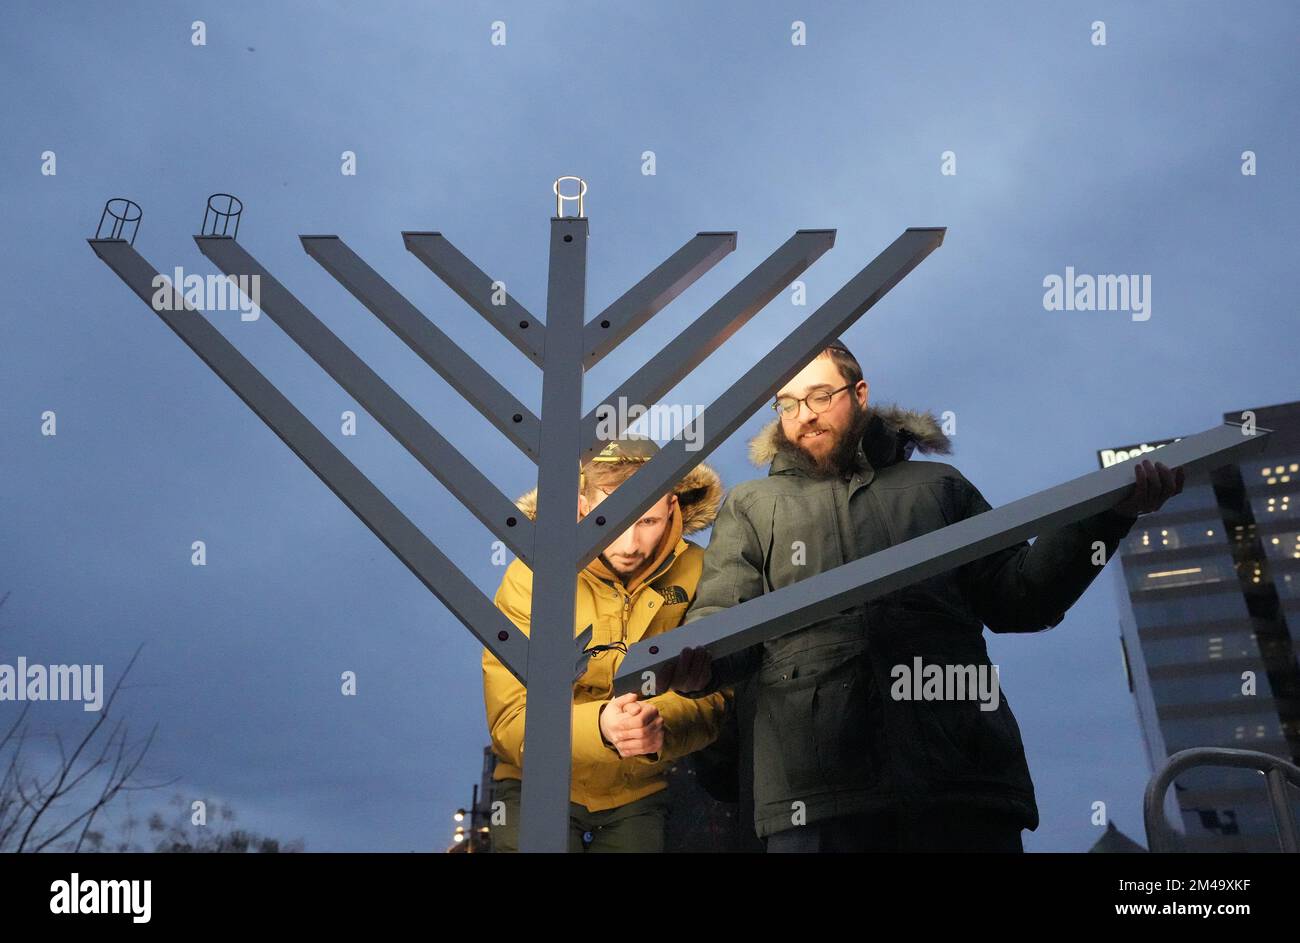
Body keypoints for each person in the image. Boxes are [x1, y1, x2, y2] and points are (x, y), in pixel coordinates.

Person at [668, 340, 1184, 852]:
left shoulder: (939, 487)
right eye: (788, 404)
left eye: (821, 396)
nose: (804, 415)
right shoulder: (752, 504)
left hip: (960, 777)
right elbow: (723, 612)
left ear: (860, 392)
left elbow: (1022, 596)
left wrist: (1109, 515)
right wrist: (699, 662)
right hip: (818, 790)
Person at [482, 435, 728, 852]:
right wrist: (600, 728)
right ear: (582, 506)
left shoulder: (702, 571)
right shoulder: (531, 578)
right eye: (611, 522)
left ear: (672, 505)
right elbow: (509, 721)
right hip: (534, 789)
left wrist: (658, 725)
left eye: (648, 521)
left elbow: (716, 695)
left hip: (640, 793)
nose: (630, 545)